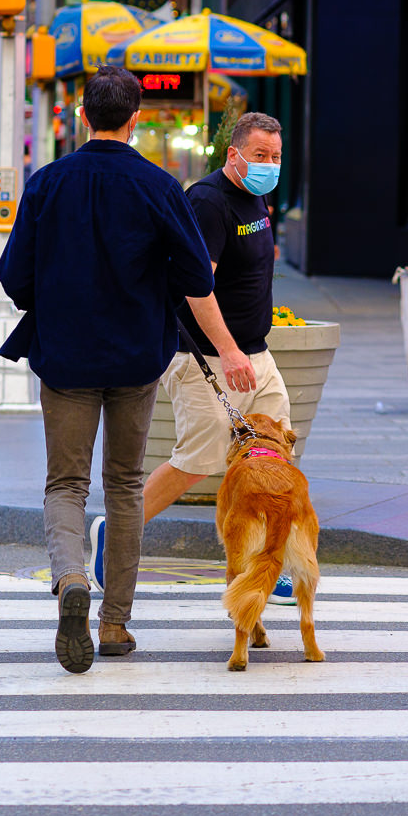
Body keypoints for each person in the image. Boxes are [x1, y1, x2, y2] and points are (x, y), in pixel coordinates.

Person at [0, 65, 249, 674]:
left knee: (65, 485)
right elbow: (195, 277)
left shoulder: (47, 182)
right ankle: (114, 622)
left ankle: (70, 581)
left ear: (83, 115)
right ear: (136, 119)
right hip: (138, 355)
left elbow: (13, 277)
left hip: (64, 355)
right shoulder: (160, 186)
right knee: (126, 485)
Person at [138, 111, 293, 537]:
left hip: (256, 354)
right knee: (195, 464)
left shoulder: (256, 197)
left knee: (273, 452)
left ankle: (266, 553)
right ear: (234, 153)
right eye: (260, 154)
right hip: (206, 359)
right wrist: (228, 351)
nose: (270, 164)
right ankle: (117, 533)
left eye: (276, 156)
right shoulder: (208, 201)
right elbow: (195, 286)